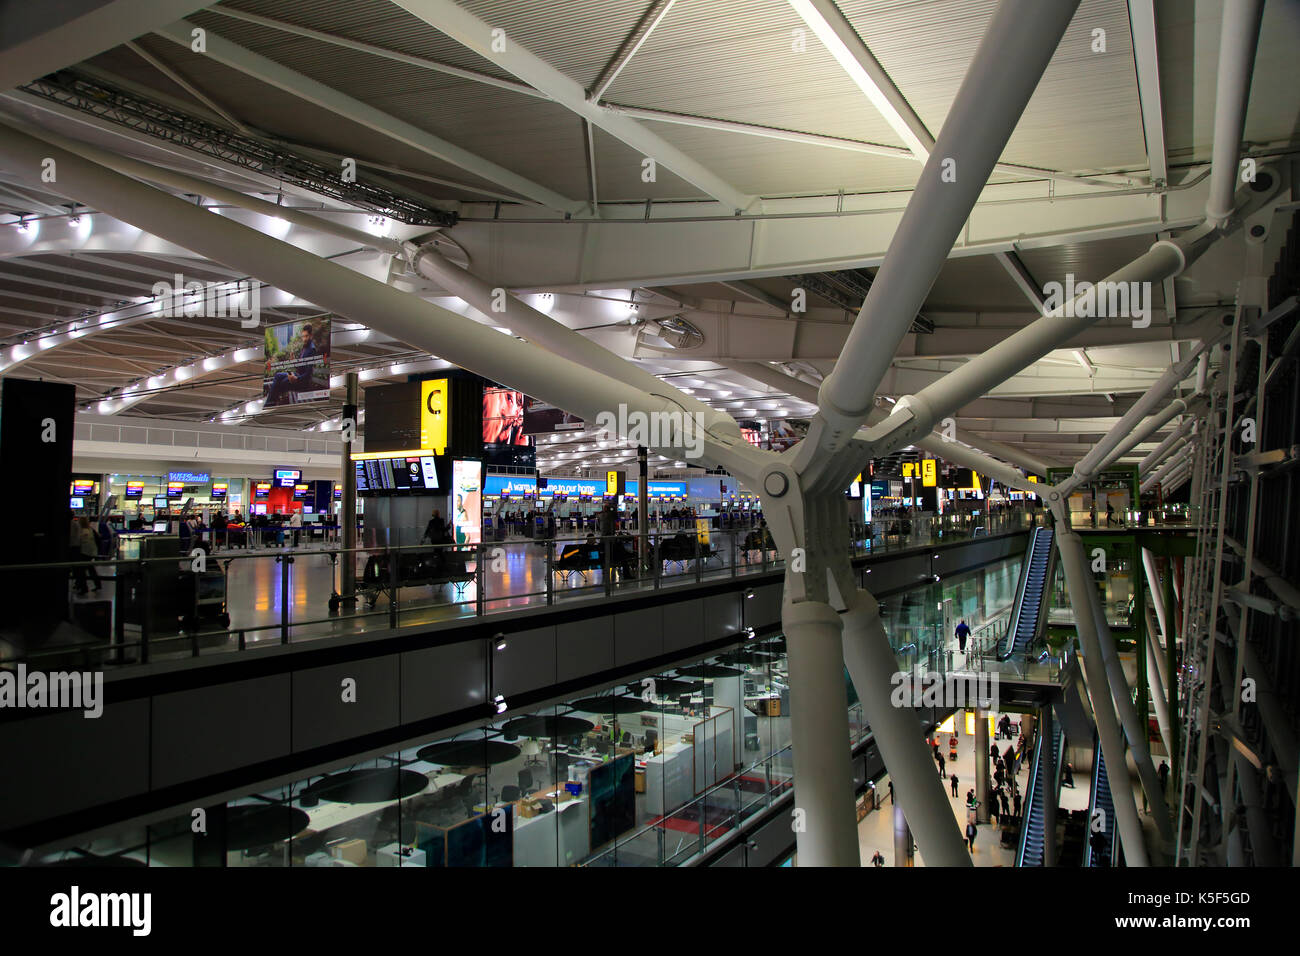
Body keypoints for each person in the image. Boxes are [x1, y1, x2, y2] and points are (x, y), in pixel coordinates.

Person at [73, 516, 101, 595]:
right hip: (91, 552)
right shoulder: (91, 530)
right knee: (90, 569)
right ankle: (97, 584)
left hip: (85, 553)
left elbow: (79, 542)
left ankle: (83, 588)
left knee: (81, 571)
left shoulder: (83, 531)